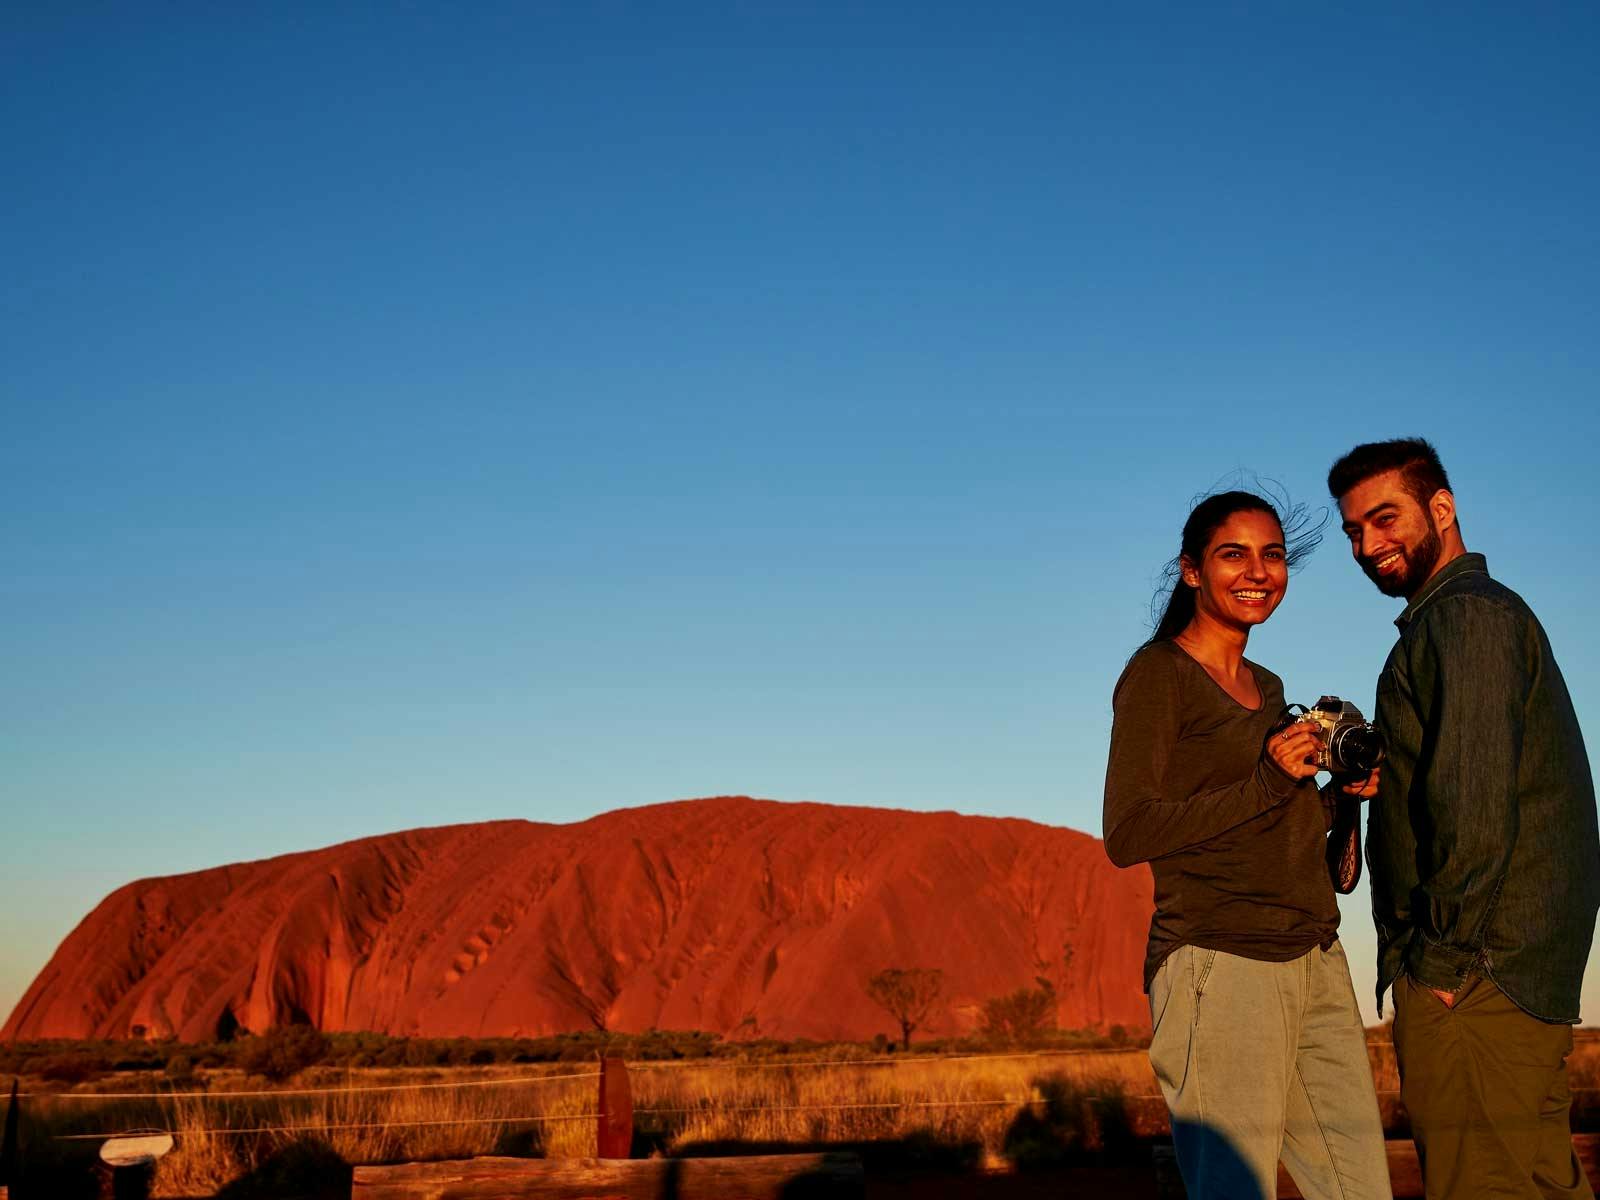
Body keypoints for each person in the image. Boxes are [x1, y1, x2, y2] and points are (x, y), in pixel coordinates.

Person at [1329, 438, 1600, 1200]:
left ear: (1441, 509)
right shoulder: (1457, 622)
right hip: (1510, 979)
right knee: (1538, 1182)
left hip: (1476, 980)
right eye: (1353, 530)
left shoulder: (1465, 620)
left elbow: (1473, 807)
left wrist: (1439, 969)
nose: (1367, 545)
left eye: (1384, 519)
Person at [1104, 489, 1392, 1200]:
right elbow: (1128, 830)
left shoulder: (1267, 685)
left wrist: (1333, 799)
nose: (1258, 571)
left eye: (1272, 556)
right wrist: (1268, 779)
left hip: (1315, 959)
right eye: (1234, 554)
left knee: (1362, 1190)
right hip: (1221, 963)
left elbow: (1264, 820)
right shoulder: (1159, 675)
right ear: (1193, 571)